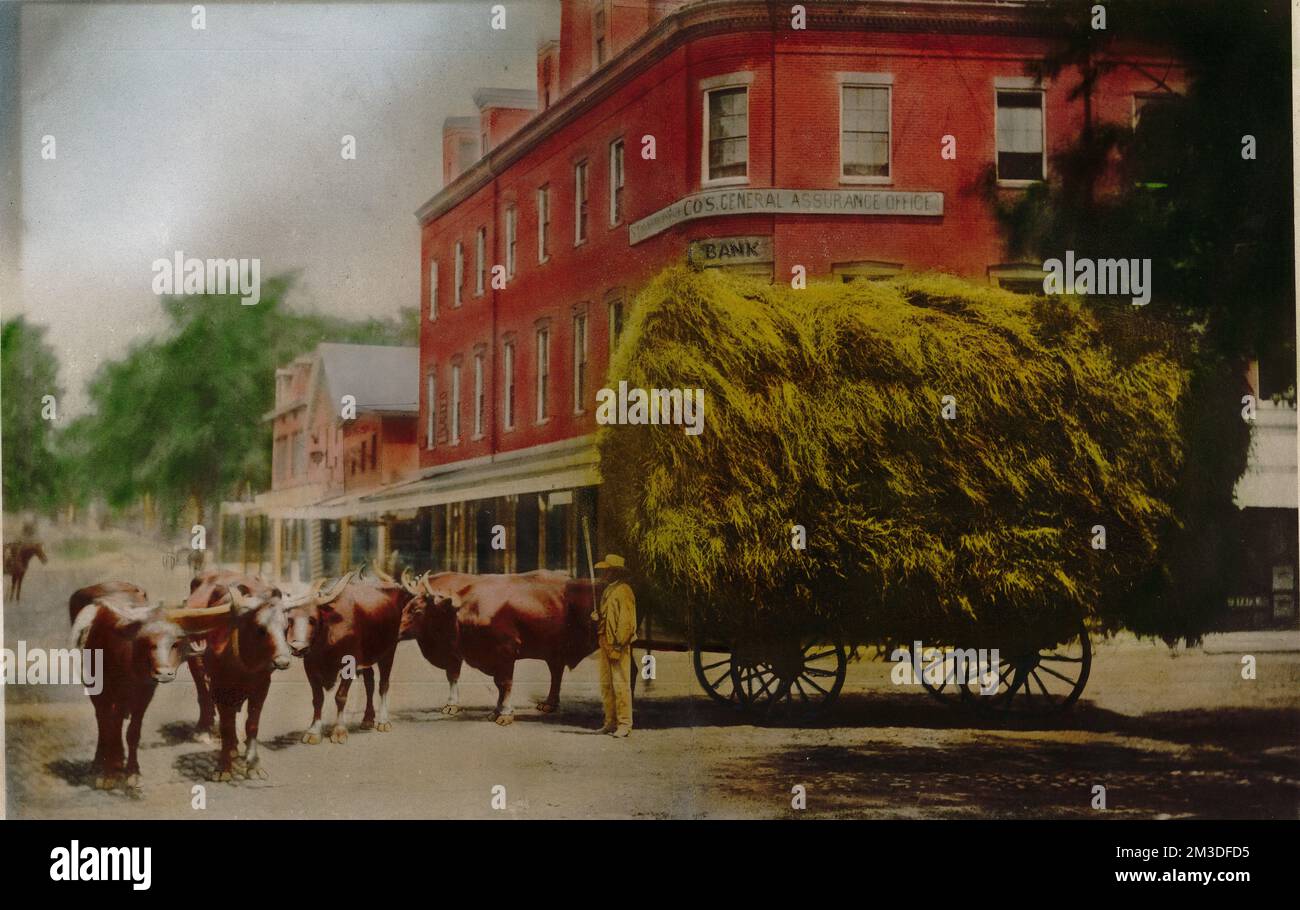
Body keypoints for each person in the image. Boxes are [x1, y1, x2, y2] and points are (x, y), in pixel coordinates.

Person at [591, 553, 636, 737]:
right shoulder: (609, 590)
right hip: (605, 641)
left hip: (618, 645)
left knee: (620, 684)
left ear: (615, 572)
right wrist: (597, 617)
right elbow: (609, 618)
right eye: (604, 571)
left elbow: (626, 623)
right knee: (607, 684)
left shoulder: (624, 591)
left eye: (607, 571)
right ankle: (610, 722)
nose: (604, 574)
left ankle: (624, 724)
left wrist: (618, 646)